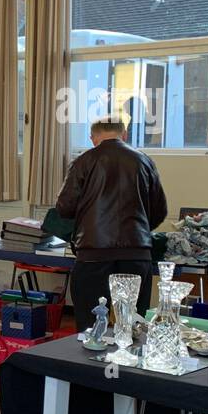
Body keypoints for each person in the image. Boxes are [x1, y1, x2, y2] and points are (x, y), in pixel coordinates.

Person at [54, 111, 168, 333]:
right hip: (137, 254)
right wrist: (137, 229)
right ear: (124, 134)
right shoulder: (144, 161)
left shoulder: (84, 161)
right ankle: (128, 365)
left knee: (92, 326)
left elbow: (64, 207)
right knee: (133, 324)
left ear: (93, 138)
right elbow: (159, 211)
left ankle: (91, 366)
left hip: (93, 255)